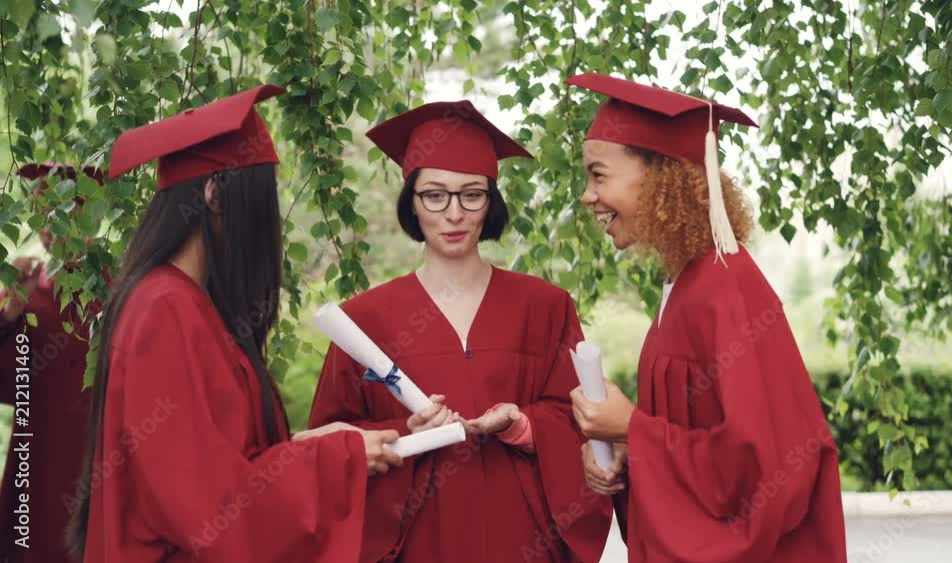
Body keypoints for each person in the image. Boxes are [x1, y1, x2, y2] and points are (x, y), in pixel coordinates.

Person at [66, 84, 402, 563]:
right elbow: (209, 508)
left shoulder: (187, 303)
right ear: (214, 194)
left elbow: (227, 459)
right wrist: (335, 463)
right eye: (261, 195)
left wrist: (333, 443)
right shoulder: (164, 309)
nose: (269, 218)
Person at [308, 100, 612, 563]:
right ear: (411, 201)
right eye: (434, 194)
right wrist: (405, 431)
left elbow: (587, 427)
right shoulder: (364, 320)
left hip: (524, 542)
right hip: (416, 545)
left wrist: (525, 426)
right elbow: (331, 445)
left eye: (472, 194)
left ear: (491, 202)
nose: (454, 213)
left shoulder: (545, 307)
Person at [566, 72, 848, 562]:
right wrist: (626, 455)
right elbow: (697, 443)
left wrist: (632, 429)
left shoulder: (724, 290)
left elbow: (766, 468)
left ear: (658, 177)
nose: (587, 195)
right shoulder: (686, 283)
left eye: (598, 174)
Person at [0, 163, 103, 563]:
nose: (53, 231)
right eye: (44, 218)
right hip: (37, 452)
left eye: (67, 215)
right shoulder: (27, 289)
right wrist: (9, 316)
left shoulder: (119, 287)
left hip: (95, 451)